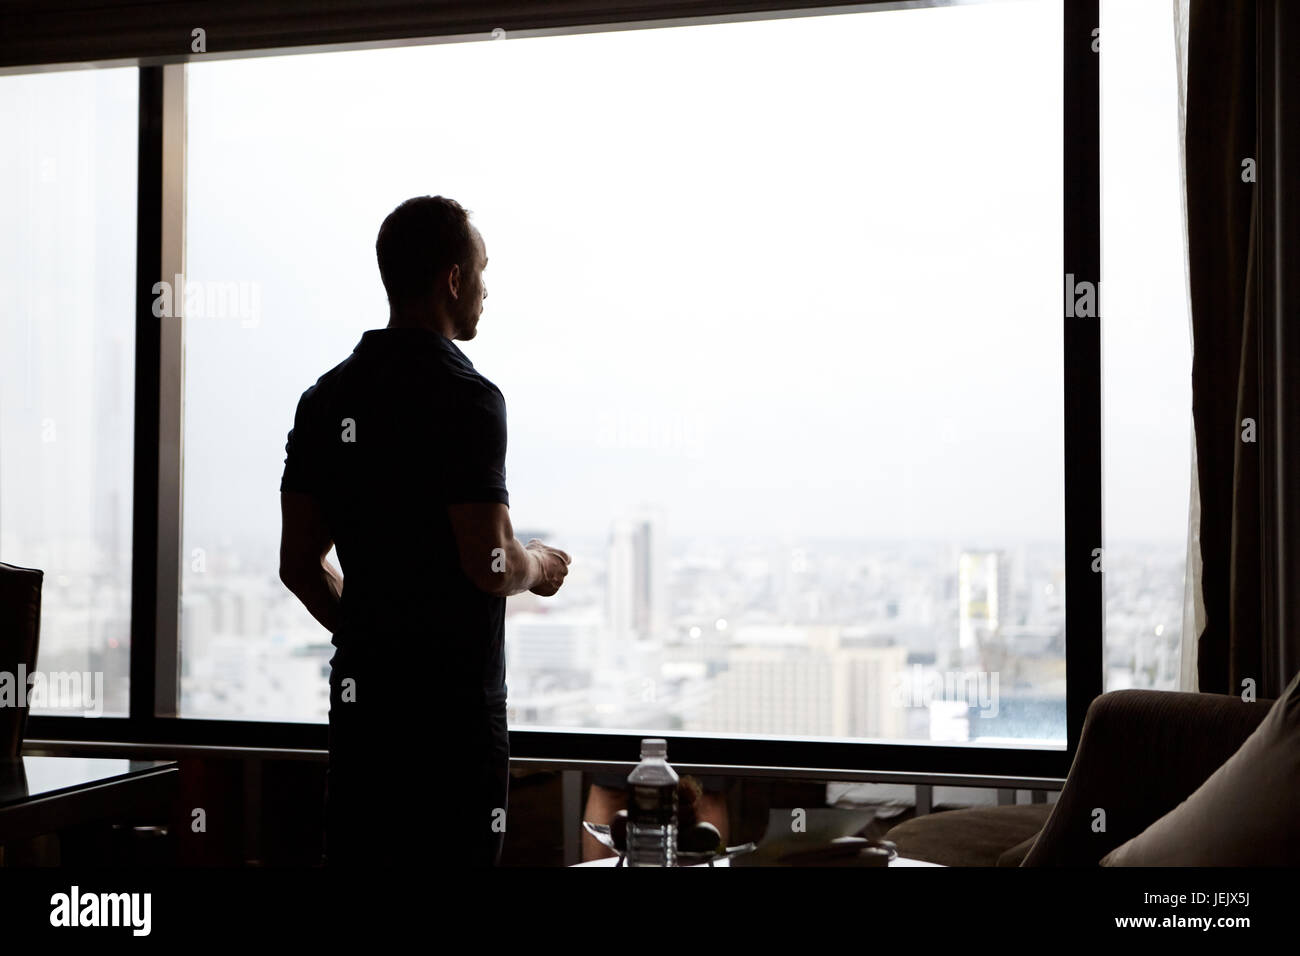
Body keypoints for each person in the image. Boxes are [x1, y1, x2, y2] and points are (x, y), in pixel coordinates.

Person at [278, 195, 570, 867]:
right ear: (454, 279)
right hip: (454, 723)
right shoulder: (467, 398)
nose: (488, 291)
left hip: (365, 714)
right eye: (484, 271)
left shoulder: (326, 401)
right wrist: (543, 566)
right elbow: (492, 562)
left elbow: (300, 564)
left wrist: (373, 636)